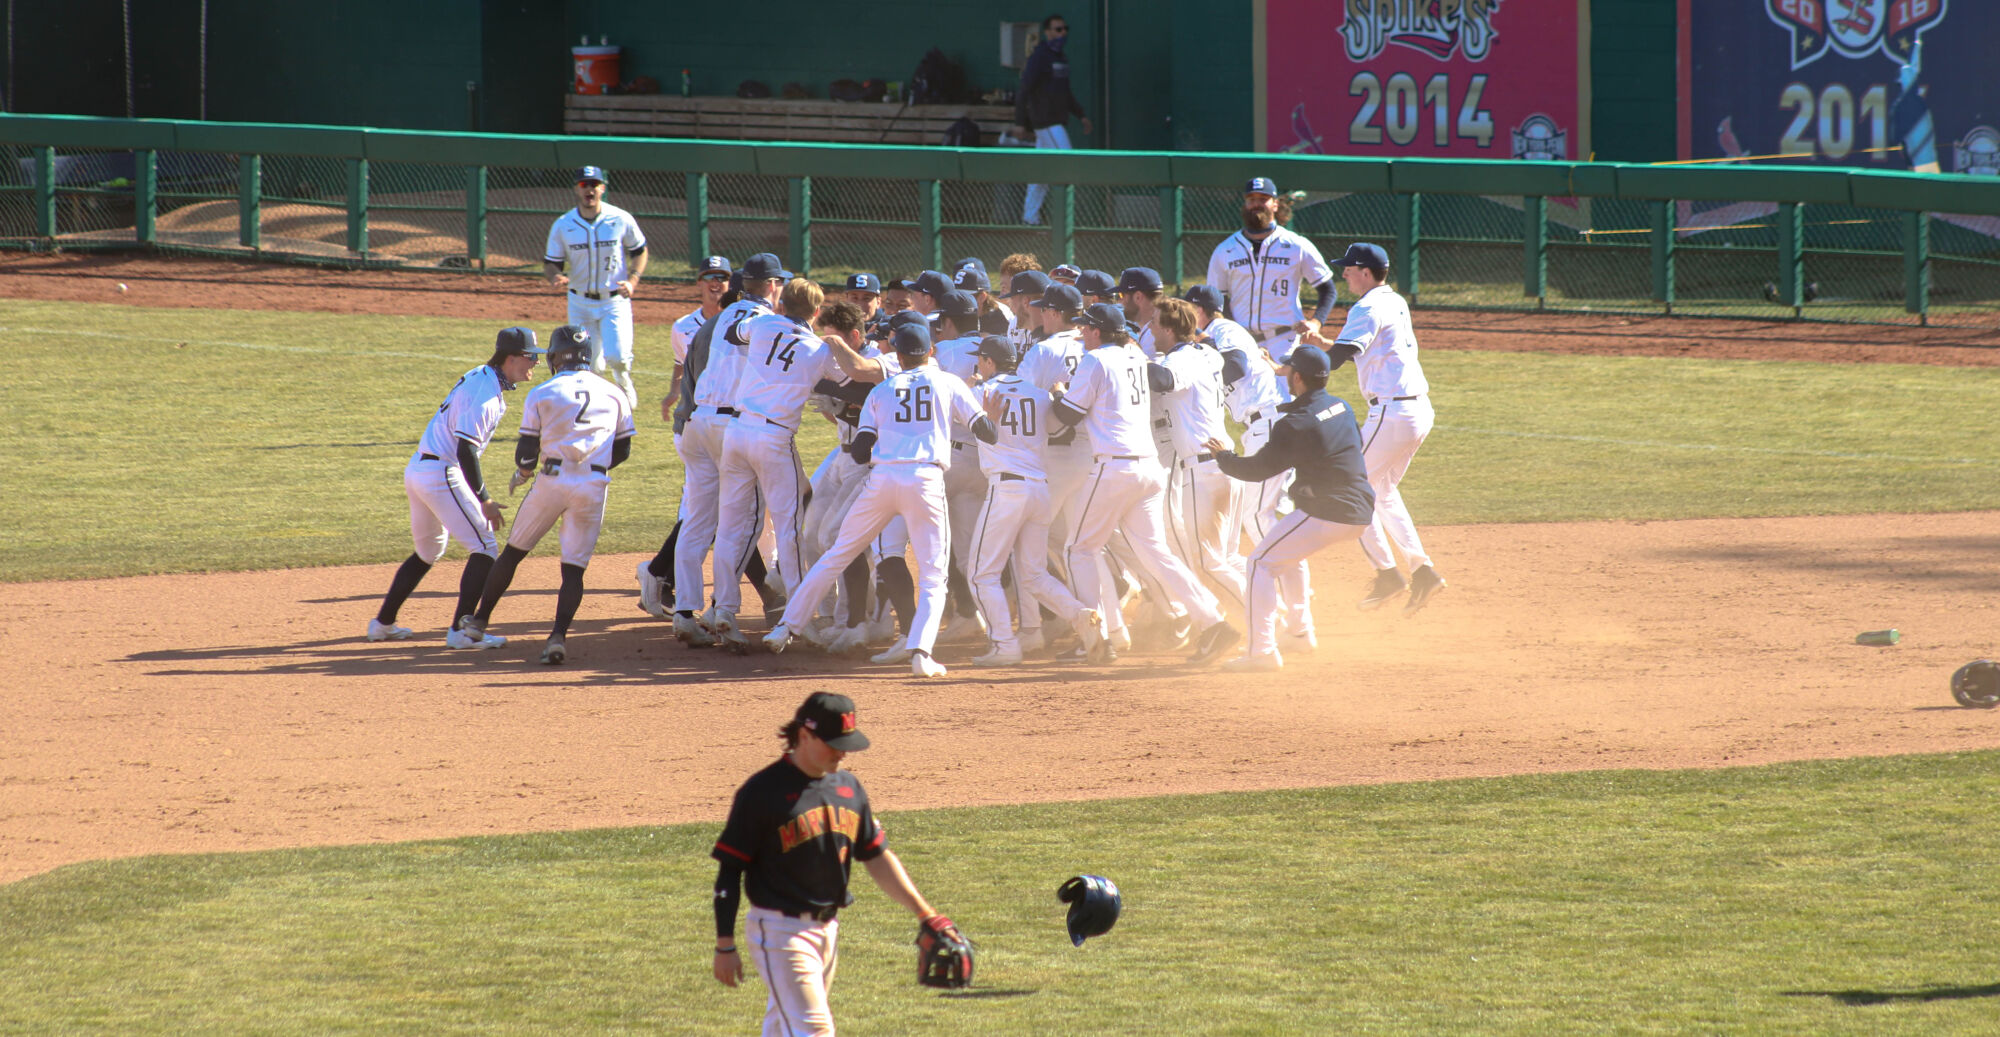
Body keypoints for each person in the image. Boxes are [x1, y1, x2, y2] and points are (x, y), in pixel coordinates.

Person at [711, 692, 959, 1036]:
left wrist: (926, 913)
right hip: (781, 933)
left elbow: (876, 855)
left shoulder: (848, 787)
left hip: (829, 929)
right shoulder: (762, 792)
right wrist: (725, 944)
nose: (843, 752)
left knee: (784, 1028)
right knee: (815, 1030)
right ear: (804, 735)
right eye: (833, 744)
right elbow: (729, 871)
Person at [764, 322, 997, 678]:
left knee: (837, 553)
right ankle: (920, 653)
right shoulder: (949, 382)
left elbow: (859, 452)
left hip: (882, 480)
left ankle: (785, 628)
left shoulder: (882, 390)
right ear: (930, 352)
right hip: (926, 480)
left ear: (897, 356)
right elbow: (986, 432)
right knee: (934, 574)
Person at [1049, 302, 1240, 666]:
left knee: (1079, 550)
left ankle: (1097, 637)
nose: (1081, 334)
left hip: (1114, 469)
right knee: (1157, 552)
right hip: (1150, 469)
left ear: (1097, 331)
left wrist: (1058, 392)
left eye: (1085, 328)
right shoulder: (1138, 357)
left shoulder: (1096, 360)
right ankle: (1214, 623)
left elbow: (1067, 415)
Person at [455, 326, 636, 664]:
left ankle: (479, 621)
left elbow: (526, 452)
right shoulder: (615, 392)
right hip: (593, 486)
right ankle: (557, 638)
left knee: (512, 554)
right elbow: (624, 448)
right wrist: (594, 466)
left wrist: (522, 474)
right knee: (573, 571)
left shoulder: (543, 392)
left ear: (555, 356)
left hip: (552, 482)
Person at [367, 327, 542, 648]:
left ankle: (383, 624)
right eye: (531, 357)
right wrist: (485, 499)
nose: (536, 364)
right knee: (486, 548)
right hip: (441, 473)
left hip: (419, 469)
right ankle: (461, 631)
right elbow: (465, 450)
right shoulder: (486, 394)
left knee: (428, 551)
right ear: (512, 357)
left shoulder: (482, 376)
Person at [1206, 346, 1376, 671]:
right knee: (1285, 554)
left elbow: (1256, 470)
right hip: (1361, 507)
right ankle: (1299, 634)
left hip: (1329, 511)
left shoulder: (1294, 423)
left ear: (1296, 377)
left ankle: (1261, 653)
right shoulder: (1341, 406)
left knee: (1259, 563)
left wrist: (1224, 456)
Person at [708, 278, 846, 649]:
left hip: (736, 433)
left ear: (781, 304)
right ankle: (796, 618)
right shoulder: (819, 349)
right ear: (816, 313)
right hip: (773, 438)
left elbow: (736, 334)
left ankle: (723, 609)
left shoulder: (765, 322)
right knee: (789, 529)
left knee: (731, 525)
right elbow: (846, 383)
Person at [1312, 242, 1446, 615]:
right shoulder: (1394, 300)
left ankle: (1387, 574)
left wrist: (1294, 366)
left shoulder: (1366, 306)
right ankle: (1423, 571)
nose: (1344, 274)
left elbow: (1338, 359)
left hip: (1391, 414)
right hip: (1417, 412)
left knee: (1348, 487)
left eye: (1349, 269)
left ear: (1366, 272)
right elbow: (1371, 348)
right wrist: (1327, 344)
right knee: (1382, 492)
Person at [965, 335, 1105, 666]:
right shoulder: (1040, 395)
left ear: (988, 362)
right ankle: (1081, 615)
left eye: (980, 361)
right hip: (1040, 488)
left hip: (1007, 491)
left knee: (981, 574)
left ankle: (1004, 645)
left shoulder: (979, 392)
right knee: (1034, 575)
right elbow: (1060, 429)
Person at [675, 255, 793, 646]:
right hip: (729, 427)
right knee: (745, 522)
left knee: (696, 519)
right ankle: (722, 608)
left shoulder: (722, 315)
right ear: (773, 285)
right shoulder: (764, 321)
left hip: (698, 423)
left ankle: (684, 612)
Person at [637, 255, 733, 622]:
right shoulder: (683, 326)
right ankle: (664, 575)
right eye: (709, 276)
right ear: (699, 282)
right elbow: (683, 365)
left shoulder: (737, 320)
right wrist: (673, 393)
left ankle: (664, 574)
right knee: (708, 508)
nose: (715, 282)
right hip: (696, 424)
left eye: (722, 277)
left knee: (701, 508)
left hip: (718, 426)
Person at [1148, 297, 1246, 616]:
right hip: (1224, 463)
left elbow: (1164, 381)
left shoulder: (1182, 360)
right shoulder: (1207, 353)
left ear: (1168, 329)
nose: (1149, 327)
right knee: (1221, 558)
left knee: (1207, 561)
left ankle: (1275, 617)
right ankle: (1275, 615)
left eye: (1154, 323)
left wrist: (1129, 361)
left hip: (1202, 471)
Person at [542, 165, 648, 409]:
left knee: (618, 357)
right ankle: (602, 405)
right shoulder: (564, 224)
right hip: (580, 302)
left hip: (614, 300)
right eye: (584, 185)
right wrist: (555, 277)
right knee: (591, 364)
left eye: (594, 184)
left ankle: (623, 382)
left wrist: (633, 280)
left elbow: (639, 251)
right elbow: (550, 263)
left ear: (602, 188)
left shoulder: (620, 219)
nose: (589, 189)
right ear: (576, 189)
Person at [1204, 176, 1337, 367]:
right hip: (1243, 341)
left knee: (1288, 396)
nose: (1256, 204)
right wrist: (1234, 334)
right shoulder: (1225, 250)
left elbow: (1327, 288)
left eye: (1263, 199)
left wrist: (1316, 322)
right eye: (1251, 200)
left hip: (1286, 340)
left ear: (1275, 204)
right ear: (1244, 204)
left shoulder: (1296, 245)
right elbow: (1218, 300)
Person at [1015, 13, 1093, 225]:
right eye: (1058, 29)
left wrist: (1081, 115)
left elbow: (1065, 92)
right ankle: (1065, 220)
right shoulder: (1040, 56)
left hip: (1057, 120)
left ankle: (1030, 218)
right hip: (1045, 121)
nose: (1063, 33)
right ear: (1047, 32)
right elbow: (1024, 89)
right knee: (1066, 163)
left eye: (1065, 29)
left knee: (1040, 173)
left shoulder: (1060, 57)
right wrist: (1020, 121)